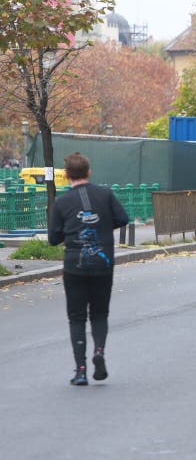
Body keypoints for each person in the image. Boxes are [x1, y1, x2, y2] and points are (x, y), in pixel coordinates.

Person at [48, 152, 129, 386]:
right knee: (100, 314)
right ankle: (99, 351)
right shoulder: (105, 194)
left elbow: (53, 238)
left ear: (66, 175)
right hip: (103, 265)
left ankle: (81, 371)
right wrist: (103, 226)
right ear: (89, 172)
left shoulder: (62, 202)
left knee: (76, 318)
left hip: (74, 266)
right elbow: (123, 218)